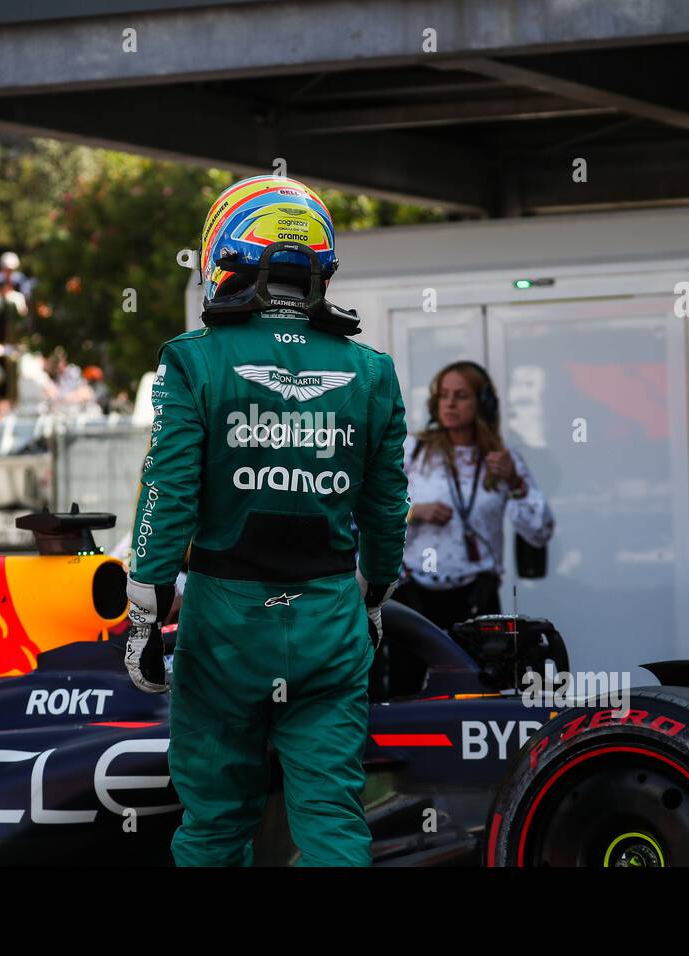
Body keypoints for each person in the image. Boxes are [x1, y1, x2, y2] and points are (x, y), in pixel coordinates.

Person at [124, 175, 409, 866]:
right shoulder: (370, 370)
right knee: (334, 822)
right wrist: (374, 598)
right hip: (330, 618)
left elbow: (168, 492)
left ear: (227, 252)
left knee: (215, 825)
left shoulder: (193, 358)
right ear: (319, 265)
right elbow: (387, 507)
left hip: (225, 625)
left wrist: (145, 607)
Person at [394, 361, 554, 634]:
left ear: (484, 404)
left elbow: (538, 532)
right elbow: (366, 513)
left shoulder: (502, 460)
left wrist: (516, 482)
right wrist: (414, 512)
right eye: (443, 395)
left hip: (477, 597)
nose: (450, 404)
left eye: (461, 395)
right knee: (408, 677)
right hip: (413, 593)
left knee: (479, 675)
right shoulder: (411, 451)